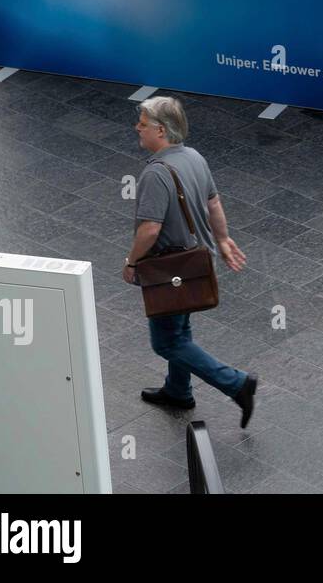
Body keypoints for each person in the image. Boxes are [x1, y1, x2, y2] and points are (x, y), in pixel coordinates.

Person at [122, 95, 258, 427]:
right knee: (180, 330)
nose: (137, 128)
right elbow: (214, 203)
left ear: (160, 130)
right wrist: (222, 240)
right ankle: (178, 391)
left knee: (167, 342)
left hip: (169, 270)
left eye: (142, 124)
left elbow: (150, 229)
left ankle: (236, 383)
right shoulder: (194, 157)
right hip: (195, 262)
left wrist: (132, 262)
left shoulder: (155, 173)